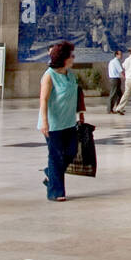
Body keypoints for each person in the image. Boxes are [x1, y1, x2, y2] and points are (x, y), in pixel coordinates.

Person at [38, 41, 85, 202]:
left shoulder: (70, 74)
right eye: (71, 56)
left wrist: (81, 114)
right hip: (54, 124)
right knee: (56, 156)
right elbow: (43, 99)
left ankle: (50, 172)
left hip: (69, 122)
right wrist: (44, 121)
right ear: (64, 58)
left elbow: (76, 94)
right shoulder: (49, 75)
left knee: (71, 152)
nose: (73, 58)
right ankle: (55, 192)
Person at [107, 49, 124, 113]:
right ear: (116, 55)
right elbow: (120, 71)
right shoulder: (116, 61)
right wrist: (125, 77)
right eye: (120, 54)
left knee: (119, 94)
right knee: (113, 94)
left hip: (113, 78)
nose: (121, 55)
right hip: (115, 79)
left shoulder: (111, 61)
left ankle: (118, 108)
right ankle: (110, 109)